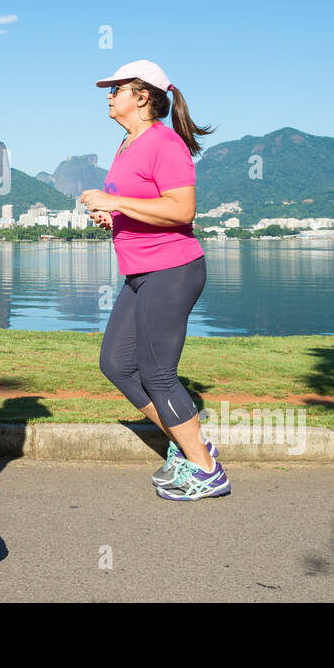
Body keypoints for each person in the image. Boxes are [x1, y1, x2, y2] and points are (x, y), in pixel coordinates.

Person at [79, 59, 228, 501]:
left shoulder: (165, 143)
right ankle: (190, 446)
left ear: (143, 97)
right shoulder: (127, 143)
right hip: (141, 270)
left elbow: (183, 210)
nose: (108, 94)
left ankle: (206, 470)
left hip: (173, 269)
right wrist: (114, 213)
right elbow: (144, 203)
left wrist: (113, 198)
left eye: (117, 88)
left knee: (158, 372)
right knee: (116, 364)